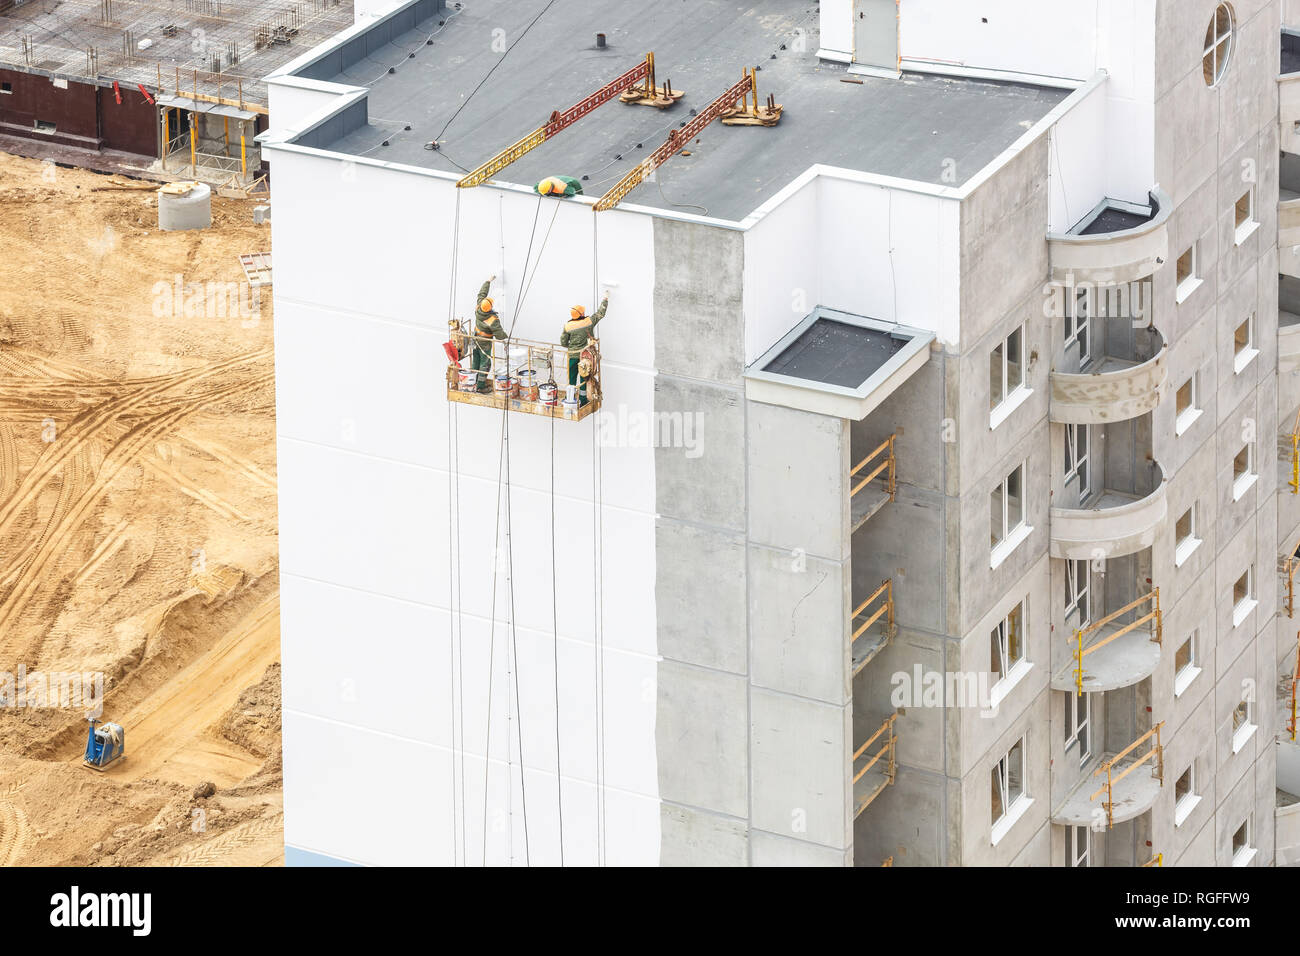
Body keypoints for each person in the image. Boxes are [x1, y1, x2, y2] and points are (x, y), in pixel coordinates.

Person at [559, 291, 608, 406]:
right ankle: (583, 400)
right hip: (585, 357)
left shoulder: (568, 326)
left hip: (572, 355)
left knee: (571, 379)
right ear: (581, 314)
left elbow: (563, 342)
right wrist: (605, 299)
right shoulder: (588, 322)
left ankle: (569, 398)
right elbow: (600, 314)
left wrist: (571, 347)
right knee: (583, 378)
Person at [472, 275, 507, 393]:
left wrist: (488, 281)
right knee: (485, 364)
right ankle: (480, 386)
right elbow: (499, 334)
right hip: (485, 343)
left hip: (475, 338)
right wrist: (506, 338)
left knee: (475, 360)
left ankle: (472, 382)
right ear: (490, 307)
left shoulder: (478, 308)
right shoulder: (492, 319)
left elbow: (481, 294)